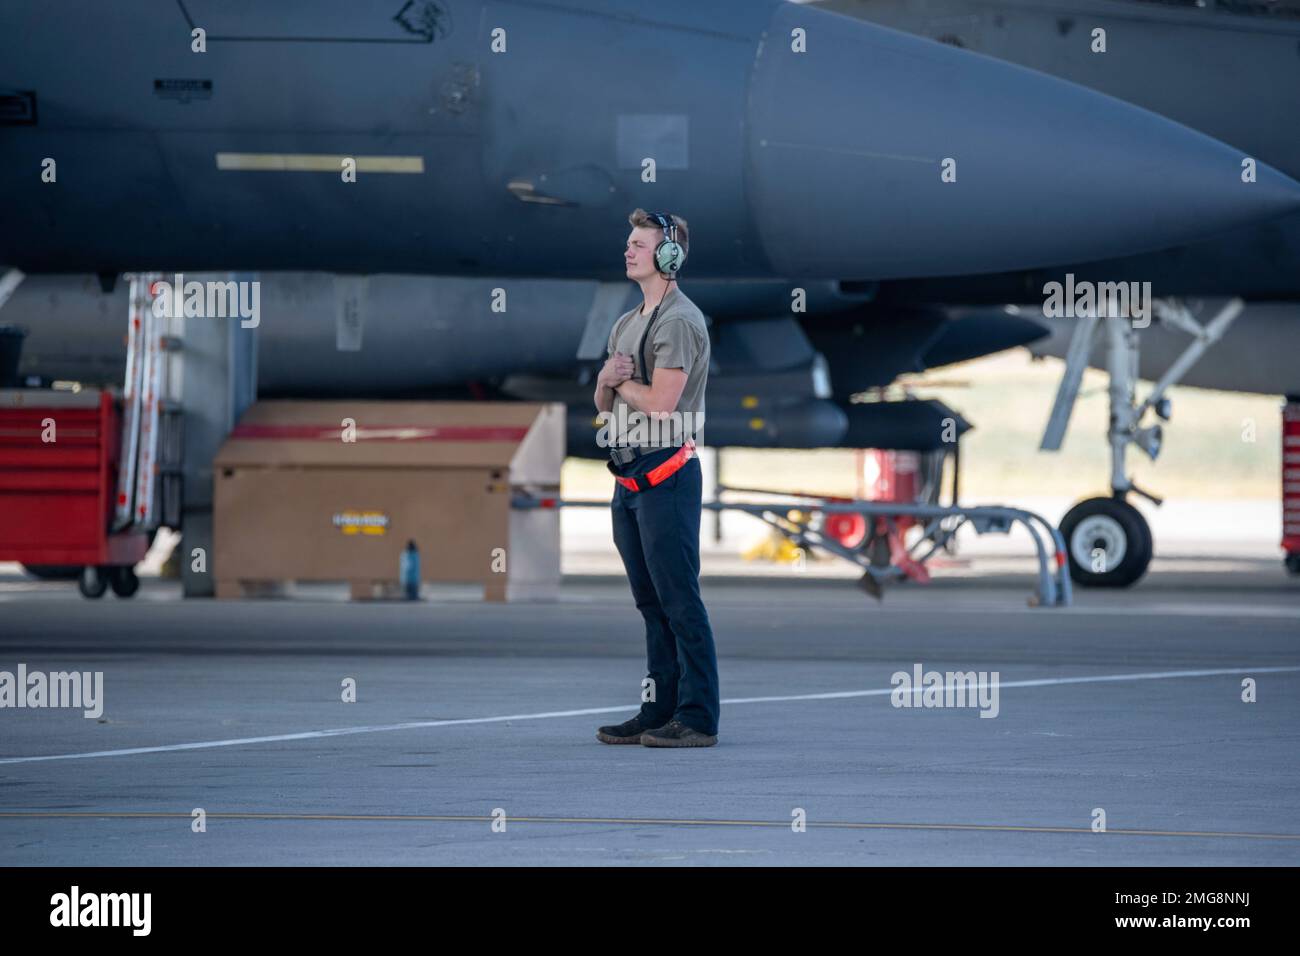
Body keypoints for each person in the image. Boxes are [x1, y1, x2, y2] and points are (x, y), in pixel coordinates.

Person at [593, 208, 720, 748]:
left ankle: (697, 718)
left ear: (669, 256)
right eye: (629, 243)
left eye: (640, 245)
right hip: (628, 478)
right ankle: (657, 708)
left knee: (679, 601)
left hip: (666, 476)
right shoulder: (627, 322)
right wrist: (607, 380)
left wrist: (617, 382)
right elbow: (601, 402)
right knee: (650, 605)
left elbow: (663, 404)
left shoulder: (679, 321)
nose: (628, 251)